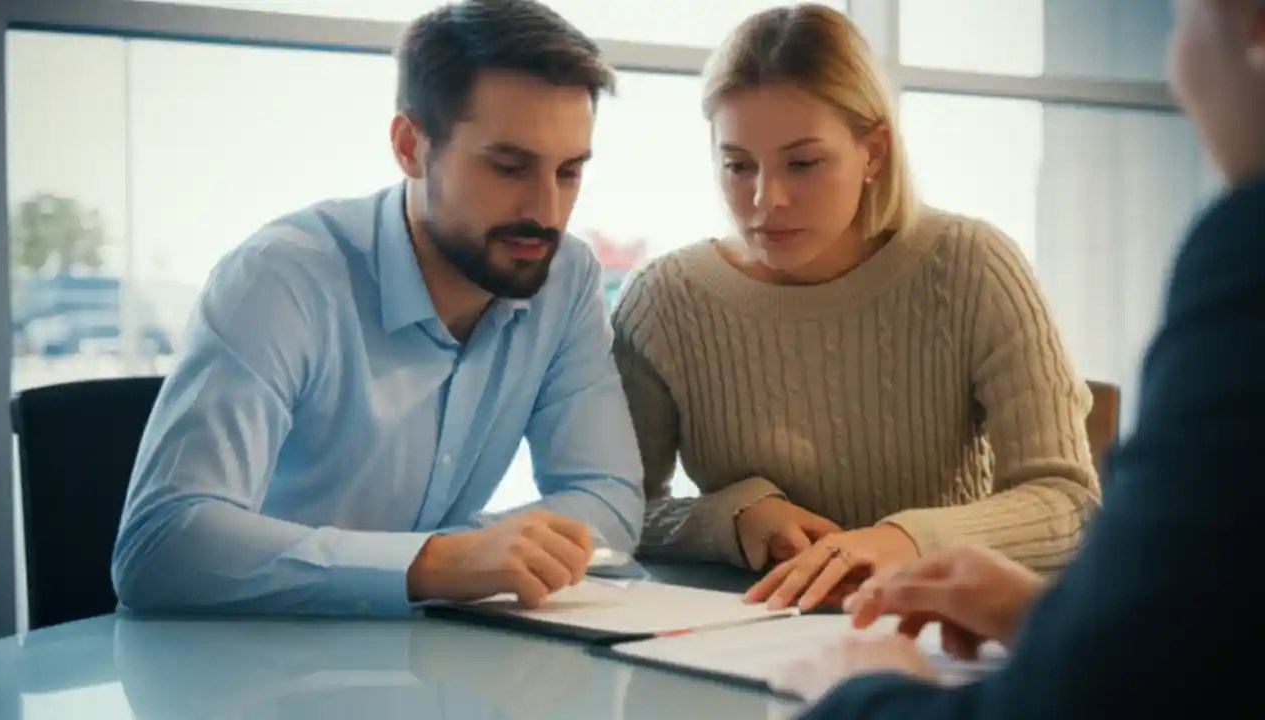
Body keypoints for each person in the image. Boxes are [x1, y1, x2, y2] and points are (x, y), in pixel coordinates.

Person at [777, 0, 1265, 716]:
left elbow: (1085, 701)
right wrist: (1060, 619)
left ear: (1251, 27)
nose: (767, 198)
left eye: (1181, 20)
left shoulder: (1247, 263)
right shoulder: (673, 292)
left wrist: (860, 694)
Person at [111, 0, 645, 617]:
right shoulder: (282, 278)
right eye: (509, 166)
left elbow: (605, 497)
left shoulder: (564, 276)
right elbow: (161, 545)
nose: (547, 212)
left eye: (570, 172)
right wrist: (439, 561)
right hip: (238, 672)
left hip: (420, 661)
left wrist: (477, 556)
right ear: (410, 146)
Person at [610, 3, 1098, 609]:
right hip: (740, 636)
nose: (768, 199)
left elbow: (1067, 501)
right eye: (738, 165)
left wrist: (905, 540)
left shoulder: (973, 266)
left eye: (804, 162)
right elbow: (614, 510)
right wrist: (732, 519)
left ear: (873, 152)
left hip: (938, 633)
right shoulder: (663, 299)